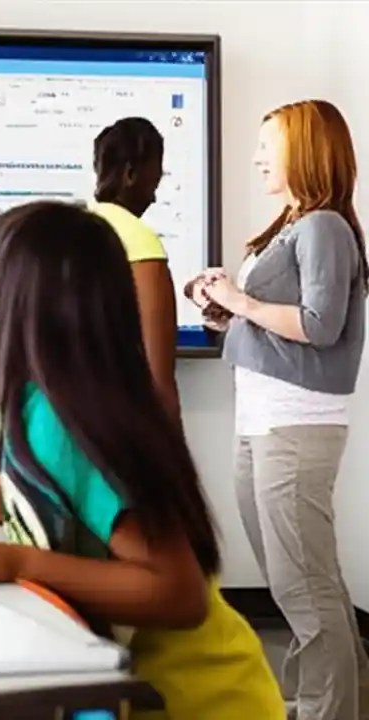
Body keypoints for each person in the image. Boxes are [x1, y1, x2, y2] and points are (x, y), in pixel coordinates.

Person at [0, 201, 285, 718]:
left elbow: (178, 593)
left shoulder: (66, 420)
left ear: (19, 298)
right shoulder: (36, 402)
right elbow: (25, 488)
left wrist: (18, 562)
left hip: (203, 700)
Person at [196, 99, 369, 720]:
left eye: (269, 144)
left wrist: (240, 301)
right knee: (297, 581)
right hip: (265, 421)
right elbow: (277, 318)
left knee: (305, 585)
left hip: (296, 424)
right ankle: (318, 701)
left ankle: (330, 710)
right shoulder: (294, 223)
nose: (257, 157)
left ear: (307, 149)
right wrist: (224, 304)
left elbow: (321, 326)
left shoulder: (323, 226)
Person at [90, 117, 180, 421]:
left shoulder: (70, 231)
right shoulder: (139, 240)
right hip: (116, 427)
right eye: (154, 181)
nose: (154, 196)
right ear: (131, 174)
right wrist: (178, 463)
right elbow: (159, 380)